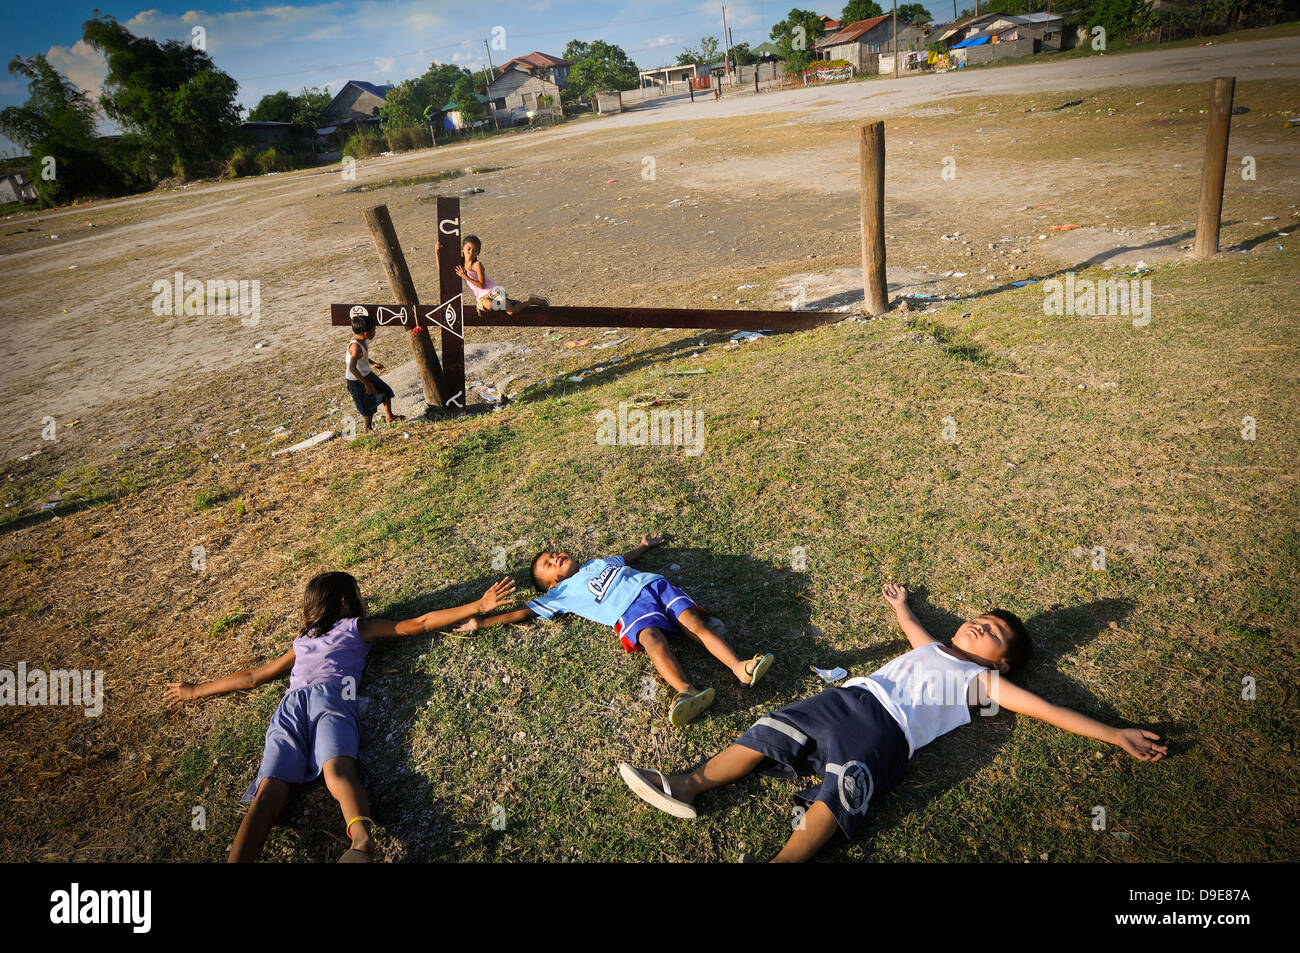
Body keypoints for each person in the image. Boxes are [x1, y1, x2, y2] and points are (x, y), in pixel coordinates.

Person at [617, 581, 1167, 862]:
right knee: (769, 731)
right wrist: (903, 604)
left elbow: (1049, 710)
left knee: (838, 794)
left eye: (993, 632)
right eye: (979, 618)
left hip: (886, 733)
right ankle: (687, 784)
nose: (979, 625)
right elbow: (912, 628)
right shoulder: (935, 646)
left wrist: (1114, 732)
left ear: (1000, 662)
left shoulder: (986, 684)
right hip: (846, 697)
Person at [163, 571, 517, 862]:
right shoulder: (322, 636)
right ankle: (353, 840)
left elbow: (419, 624)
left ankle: (361, 844)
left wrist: (479, 605)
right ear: (348, 601)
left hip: (313, 703)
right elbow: (256, 675)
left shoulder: (336, 633)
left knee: (312, 777)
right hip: (311, 704)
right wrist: (195, 690)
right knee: (285, 784)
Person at [457, 534, 774, 727]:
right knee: (652, 640)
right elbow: (523, 612)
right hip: (628, 611)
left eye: (554, 554)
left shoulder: (597, 562)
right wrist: (481, 621)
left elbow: (625, 558)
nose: (556, 558)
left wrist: (643, 547)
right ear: (550, 583)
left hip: (656, 587)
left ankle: (740, 667)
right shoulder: (558, 595)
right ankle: (685, 692)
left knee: (695, 625)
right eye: (549, 564)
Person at [437, 234, 547, 316]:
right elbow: (443, 271)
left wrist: (465, 276)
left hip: (493, 290)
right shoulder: (460, 264)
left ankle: (531, 300)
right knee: (489, 306)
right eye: (468, 249)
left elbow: (482, 285)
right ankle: (511, 302)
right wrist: (437, 253)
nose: (471, 252)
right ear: (462, 249)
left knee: (511, 312)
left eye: (475, 251)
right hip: (481, 296)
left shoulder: (477, 265)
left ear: (478, 253)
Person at [345, 312, 403, 432]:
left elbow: (363, 357)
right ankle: (368, 428)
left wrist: (373, 363)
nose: (375, 332)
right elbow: (352, 368)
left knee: (386, 391)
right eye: (374, 330)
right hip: (356, 380)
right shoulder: (355, 347)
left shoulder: (363, 340)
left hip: (366, 374)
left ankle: (389, 416)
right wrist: (366, 383)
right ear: (366, 333)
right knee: (367, 403)